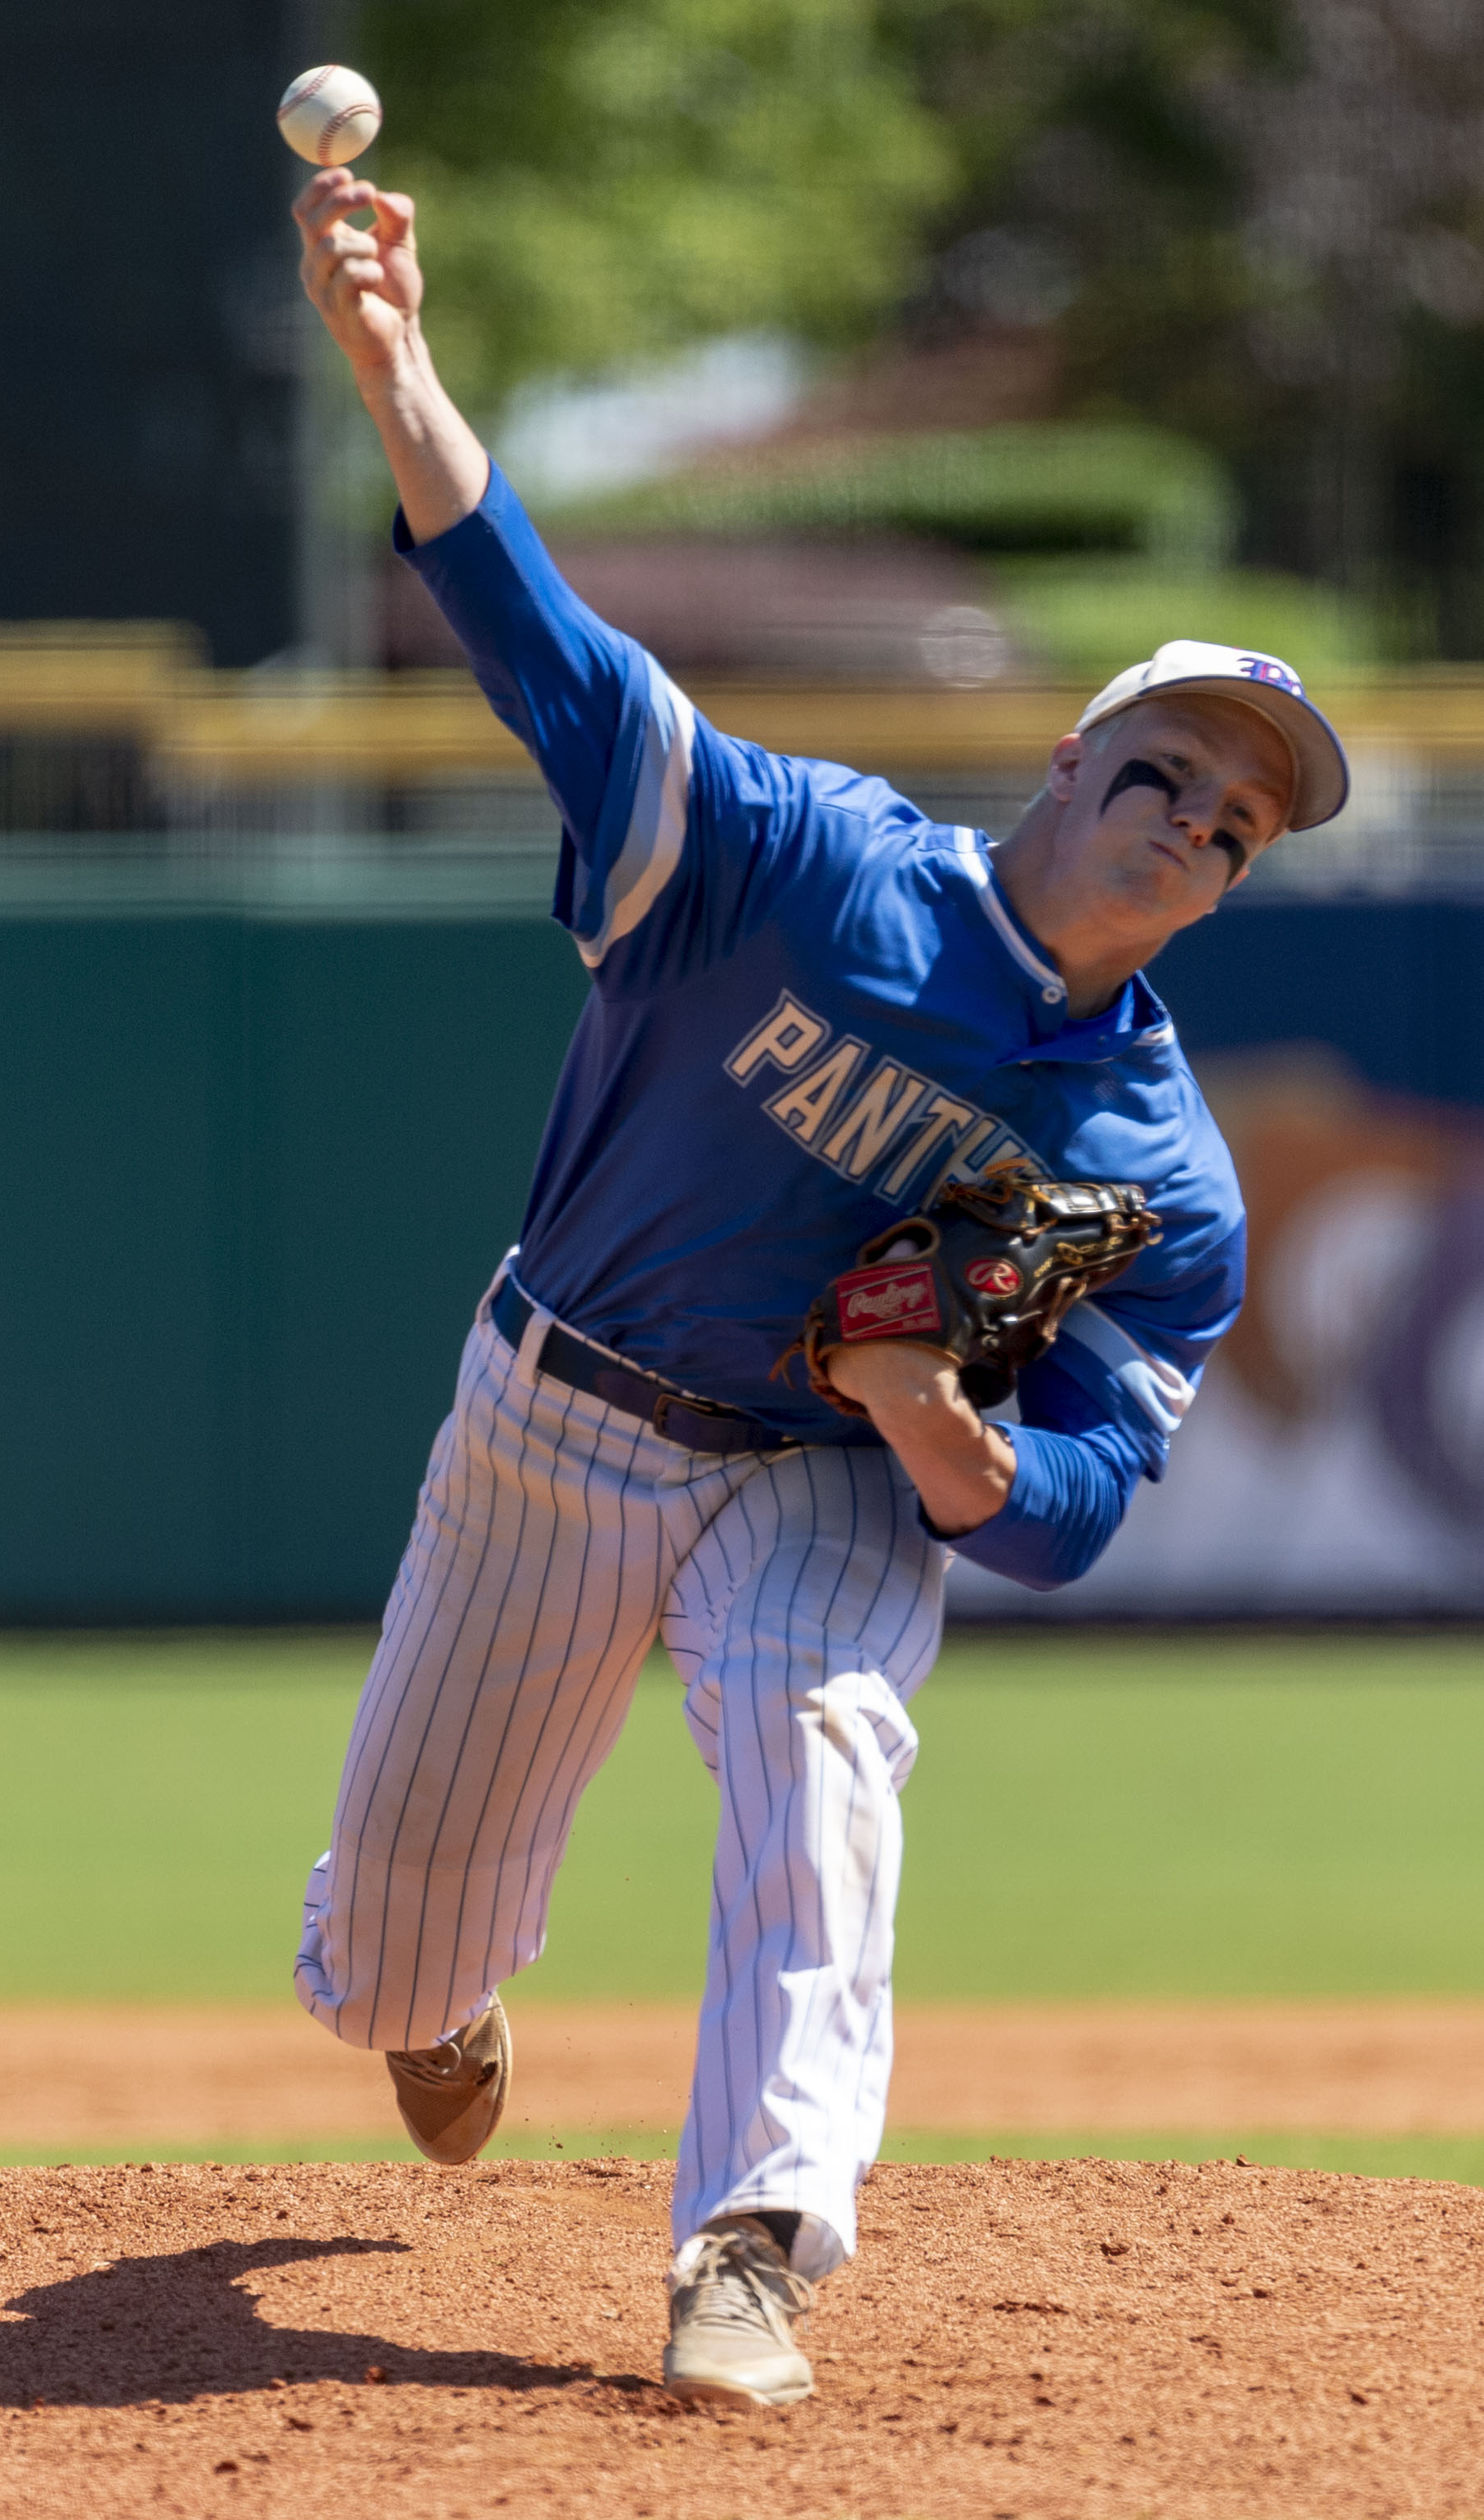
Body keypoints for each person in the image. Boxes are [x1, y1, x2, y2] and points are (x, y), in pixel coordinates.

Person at [288, 167, 1349, 2410]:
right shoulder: (789, 865)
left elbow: (1072, 1505)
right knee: (389, 1954)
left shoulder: (1146, 1168)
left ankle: (753, 2242)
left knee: (826, 1741)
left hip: (827, 1475)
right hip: (561, 1412)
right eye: (1164, 769)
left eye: (1233, 827)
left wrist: (939, 1424)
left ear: (1237, 884)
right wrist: (399, 377)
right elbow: (548, 652)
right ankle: (441, 1989)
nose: (1185, 823)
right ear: (1070, 761)